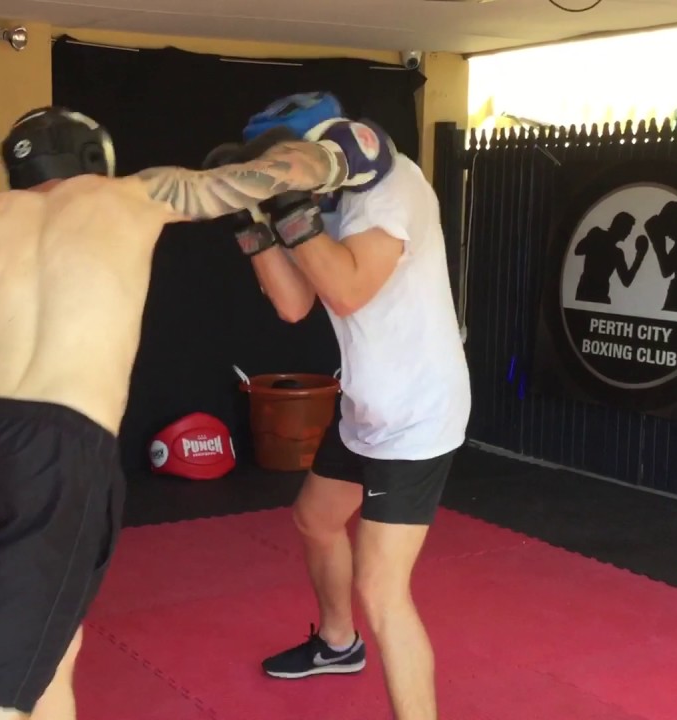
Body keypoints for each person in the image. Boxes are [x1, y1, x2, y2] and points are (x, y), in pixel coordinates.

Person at [0, 105, 385, 720]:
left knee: (47, 644)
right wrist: (338, 157)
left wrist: (1, 328)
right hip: (58, 450)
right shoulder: (135, 194)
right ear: (95, 157)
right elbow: (267, 177)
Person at [203, 91, 472, 720]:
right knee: (316, 520)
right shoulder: (332, 202)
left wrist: (292, 208)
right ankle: (336, 643)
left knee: (382, 588)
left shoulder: (393, 188)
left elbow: (347, 289)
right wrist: (254, 223)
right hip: (364, 407)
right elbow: (295, 304)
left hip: (418, 414)